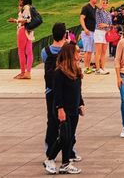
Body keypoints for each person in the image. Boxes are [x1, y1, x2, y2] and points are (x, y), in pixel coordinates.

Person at [44, 42, 85, 175]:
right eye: (77, 51)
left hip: (74, 109)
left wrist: (81, 103)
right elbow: (58, 94)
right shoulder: (59, 72)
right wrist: (60, 109)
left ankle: (65, 164)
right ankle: (50, 159)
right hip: (63, 110)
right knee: (64, 137)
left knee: (70, 137)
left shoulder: (77, 70)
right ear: (70, 54)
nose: (80, 54)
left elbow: (78, 90)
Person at [41, 24, 71, 164]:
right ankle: (69, 150)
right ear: (64, 35)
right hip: (65, 91)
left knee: (51, 121)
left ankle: (49, 149)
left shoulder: (45, 51)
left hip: (50, 90)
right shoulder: (67, 50)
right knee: (67, 123)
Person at [8, 0, 40, 80]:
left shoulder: (26, 8)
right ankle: (28, 72)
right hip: (29, 31)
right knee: (29, 52)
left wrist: (15, 20)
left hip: (23, 30)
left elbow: (26, 19)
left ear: (25, 0)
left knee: (21, 51)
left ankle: (23, 72)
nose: (20, 1)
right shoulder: (28, 8)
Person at [79, 0, 99, 74]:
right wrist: (85, 29)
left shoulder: (96, 8)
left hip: (94, 32)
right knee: (88, 50)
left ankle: (89, 67)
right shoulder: (86, 7)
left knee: (92, 50)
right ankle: (86, 67)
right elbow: (81, 18)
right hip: (88, 31)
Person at [93, 0, 112, 75]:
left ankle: (102, 68)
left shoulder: (108, 13)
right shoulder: (98, 11)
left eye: (106, 2)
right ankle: (98, 69)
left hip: (106, 33)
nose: (105, 4)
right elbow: (100, 24)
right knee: (98, 51)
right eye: (103, 2)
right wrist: (106, 25)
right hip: (99, 32)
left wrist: (106, 25)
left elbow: (110, 24)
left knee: (104, 52)